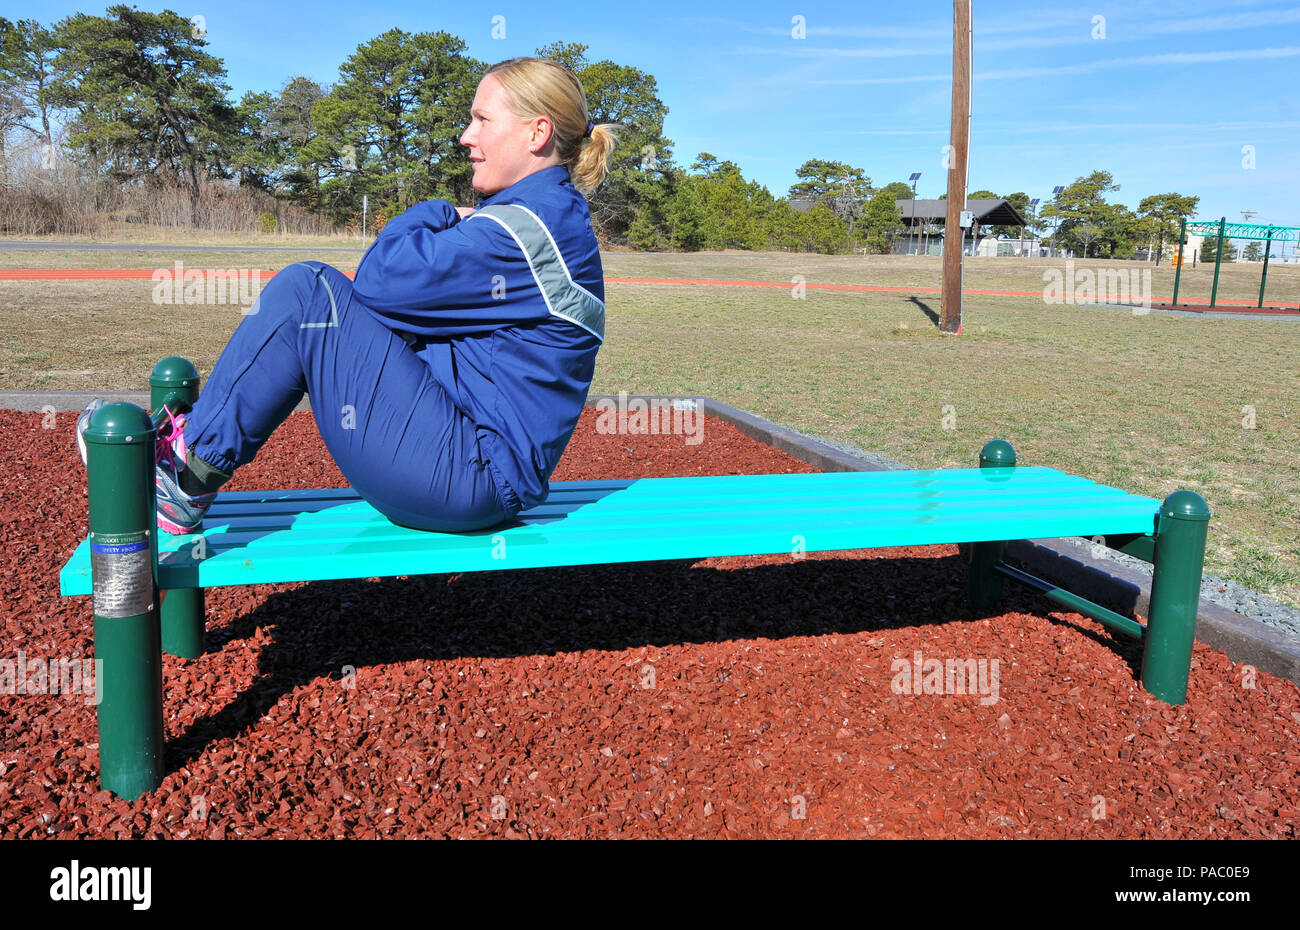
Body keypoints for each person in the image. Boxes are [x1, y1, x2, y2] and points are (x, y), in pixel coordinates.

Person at [77, 57, 620, 534]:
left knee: (310, 291)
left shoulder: (524, 230)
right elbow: (397, 311)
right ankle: (190, 453)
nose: (466, 136)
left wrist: (432, 211)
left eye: (482, 119)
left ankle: (186, 474)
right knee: (323, 301)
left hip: (471, 472)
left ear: (537, 133)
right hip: (475, 468)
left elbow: (380, 282)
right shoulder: (543, 219)